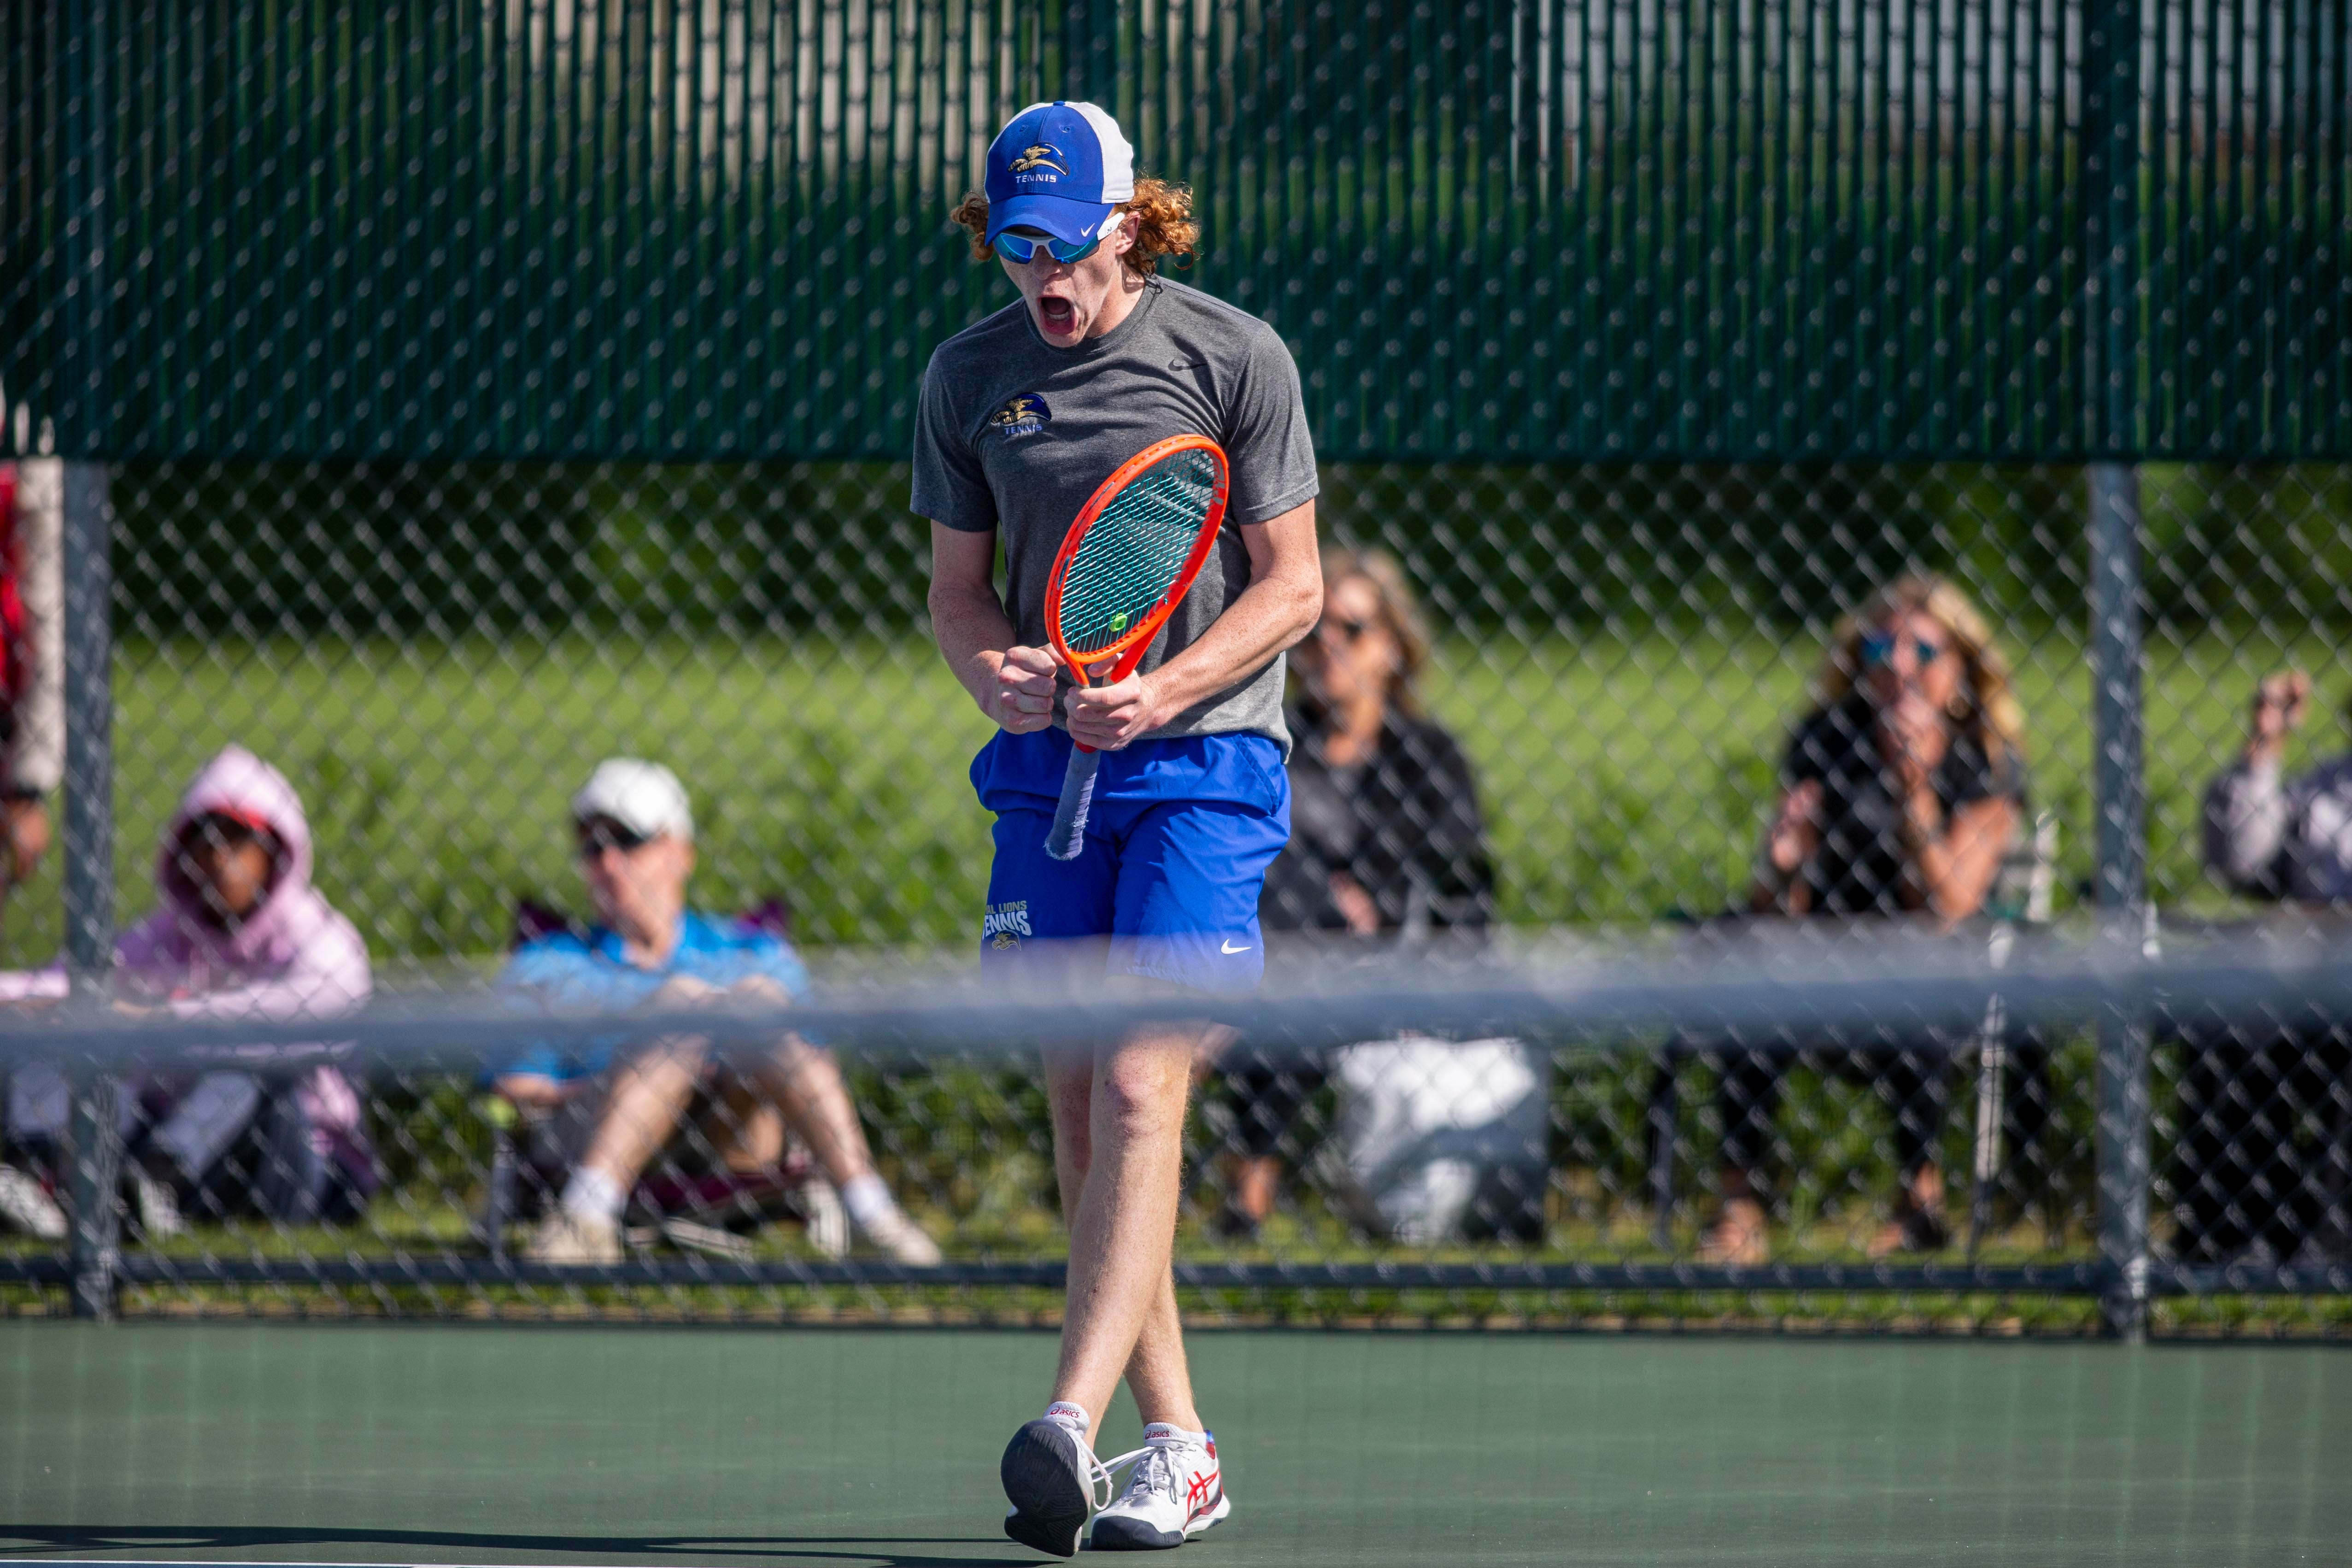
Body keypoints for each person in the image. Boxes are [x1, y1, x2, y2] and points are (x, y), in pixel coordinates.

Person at [919, 101, 1320, 1554]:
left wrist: (1165, 691)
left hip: (1207, 765)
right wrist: (998, 675)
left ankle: (1066, 1422)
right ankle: (1185, 1449)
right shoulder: (966, 377)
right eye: (1013, 244)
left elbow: (1294, 591)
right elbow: (961, 596)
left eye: (1067, 242)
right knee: (1088, 1113)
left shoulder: (1234, 357)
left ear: (1128, 222)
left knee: (1148, 1088)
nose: (1043, 273)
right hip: (1047, 773)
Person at [496, 759, 939, 1268]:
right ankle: (586, 1216)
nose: (610, 863)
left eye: (629, 840)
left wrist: (697, 1071)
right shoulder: (548, 963)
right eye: (593, 847)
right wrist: (641, 1076)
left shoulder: (755, 953)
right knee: (682, 1002)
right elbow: (515, 1091)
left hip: (734, 1131)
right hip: (592, 1127)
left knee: (755, 1000)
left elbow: (809, 1064)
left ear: (680, 852)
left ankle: (871, 1213)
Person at [1701, 575, 2028, 1265]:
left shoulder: (1984, 760)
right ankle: (1739, 1203)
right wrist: (1782, 864)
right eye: (1881, 645)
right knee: (1740, 944)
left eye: (1923, 651)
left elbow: (1947, 907)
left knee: (1922, 964)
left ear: (1963, 668)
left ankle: (1919, 1198)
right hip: (1821, 957)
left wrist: (1914, 797)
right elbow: (1778, 907)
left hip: (1934, 965)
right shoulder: (1829, 740)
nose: (1897, 665)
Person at [1219, 546, 1504, 1238]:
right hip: (1278, 952)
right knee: (1292, 972)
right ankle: (1236, 1193)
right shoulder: (1272, 743)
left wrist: (1372, 905)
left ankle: (1246, 1193)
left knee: (1294, 987)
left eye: (1352, 630)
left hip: (1393, 965)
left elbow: (1462, 884)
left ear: (1394, 646)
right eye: (1314, 632)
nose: (1328, 648)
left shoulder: (1429, 757)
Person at [4, 746, 376, 1234]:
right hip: (184, 1142)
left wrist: (167, 1019)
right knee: (64, 1036)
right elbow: (63, 986)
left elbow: (320, 1010)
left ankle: (156, 1189)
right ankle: (44, 1180)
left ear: (274, 851)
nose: (220, 858)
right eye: (206, 841)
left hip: (301, 1161)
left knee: (248, 1065)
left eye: (239, 840)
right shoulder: (166, 935)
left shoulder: (319, 934)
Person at [2188, 670, 2352, 1261]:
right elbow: (2235, 858)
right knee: (2229, 1024)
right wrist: (2265, 743)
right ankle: (2234, 1236)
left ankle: (2328, 1245)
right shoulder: (2326, 792)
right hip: (2306, 987)